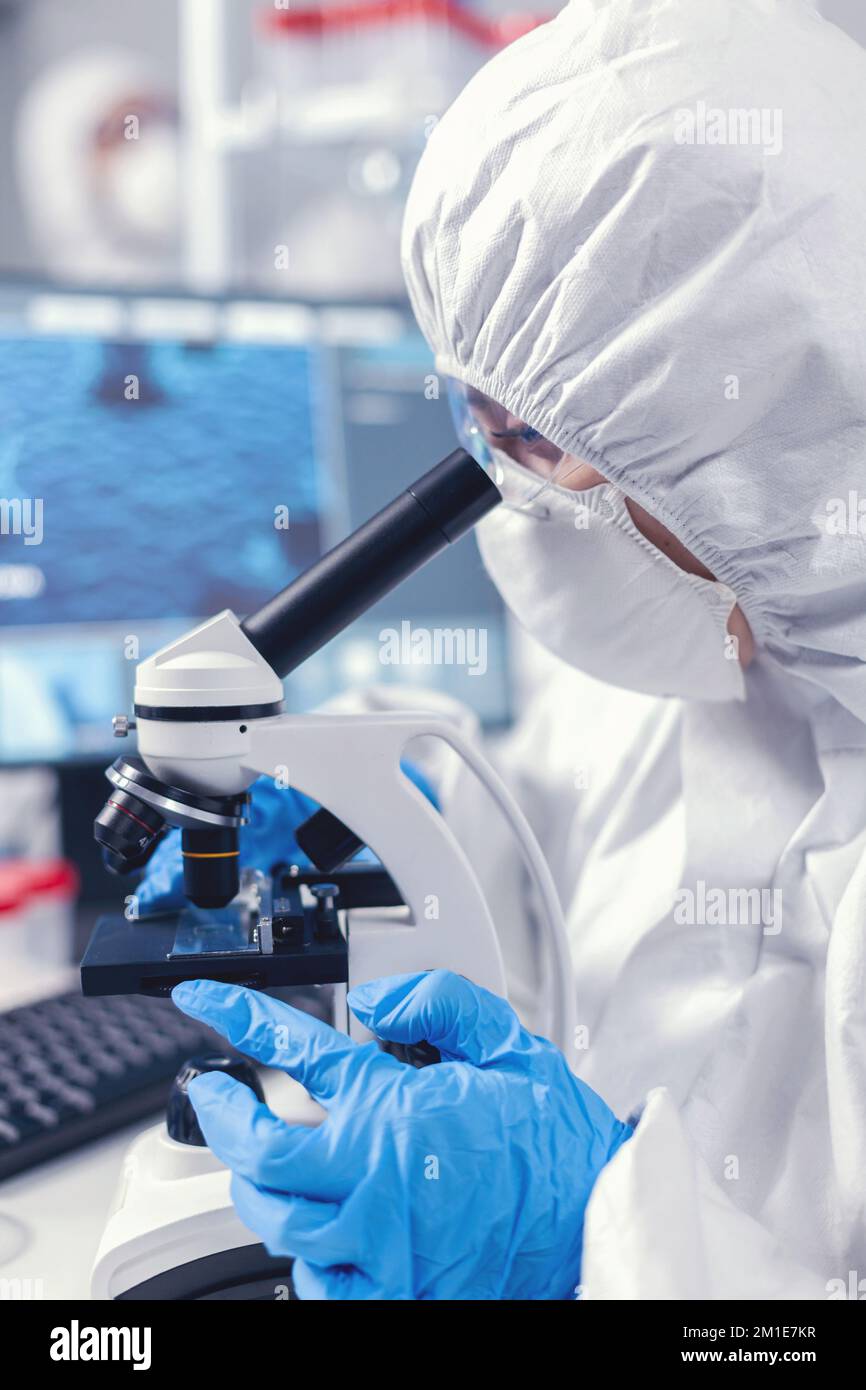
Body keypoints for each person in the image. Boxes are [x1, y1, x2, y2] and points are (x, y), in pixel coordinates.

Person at [153, 0, 866, 1299]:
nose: (500, 483)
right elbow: (566, 852)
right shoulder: (722, 634)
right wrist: (363, 814)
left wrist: (598, 1235)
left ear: (753, 437)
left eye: (537, 433)